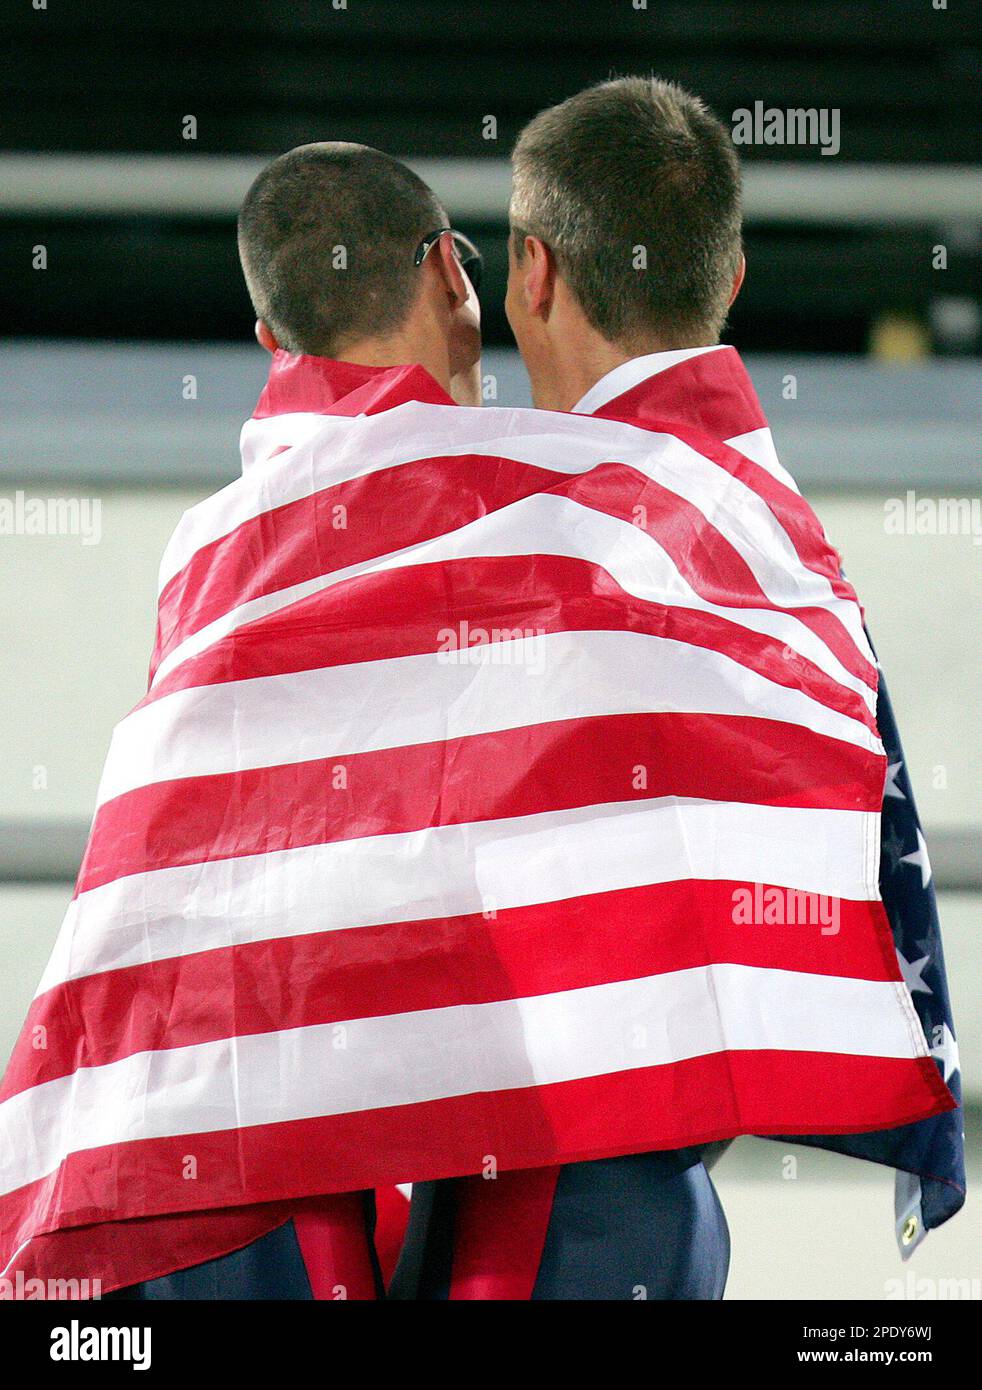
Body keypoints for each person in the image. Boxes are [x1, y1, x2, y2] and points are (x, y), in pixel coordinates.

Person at [0, 124, 957, 1303]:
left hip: (198, 1130)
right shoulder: (575, 497)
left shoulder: (206, 549)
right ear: (459, 272)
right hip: (515, 1153)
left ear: (267, 342)